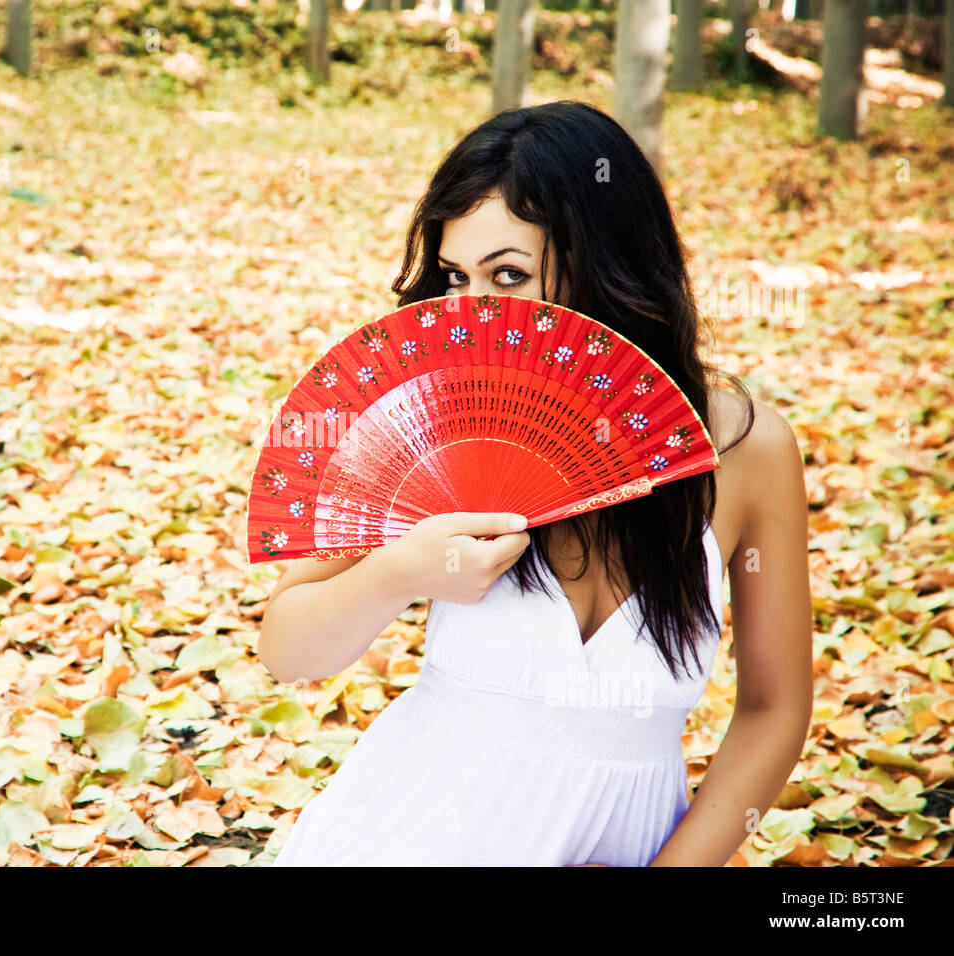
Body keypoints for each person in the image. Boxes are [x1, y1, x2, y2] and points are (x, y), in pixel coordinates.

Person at [257, 101, 813, 867]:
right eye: (455, 276)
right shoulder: (428, 422)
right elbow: (289, 653)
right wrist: (400, 572)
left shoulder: (749, 450)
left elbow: (774, 708)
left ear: (605, 263)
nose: (470, 311)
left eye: (508, 275)